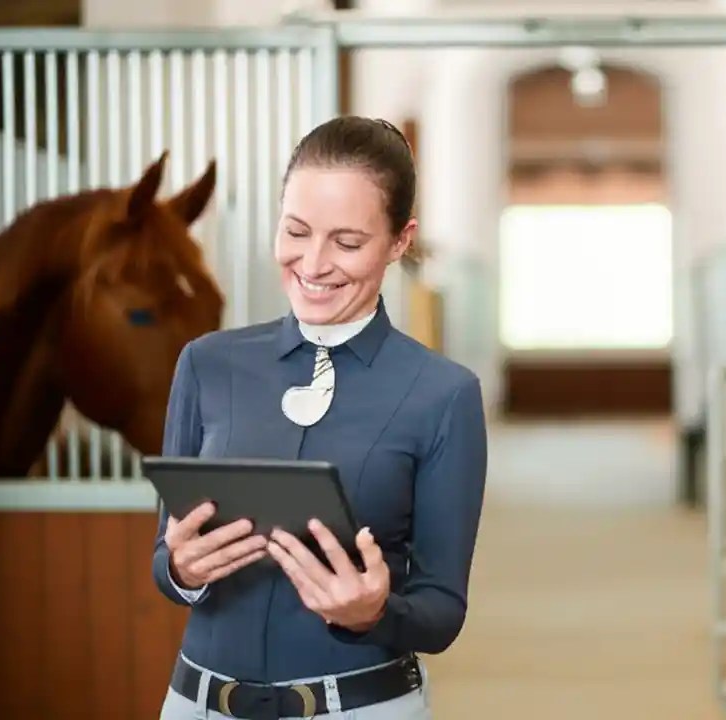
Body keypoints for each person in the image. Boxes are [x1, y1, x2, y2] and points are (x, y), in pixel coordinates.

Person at [152, 116, 488, 719]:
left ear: (400, 241)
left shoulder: (443, 395)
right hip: (196, 705)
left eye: (348, 242)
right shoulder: (207, 365)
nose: (313, 262)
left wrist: (376, 613)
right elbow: (165, 557)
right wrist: (181, 568)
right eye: (296, 231)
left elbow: (441, 610)